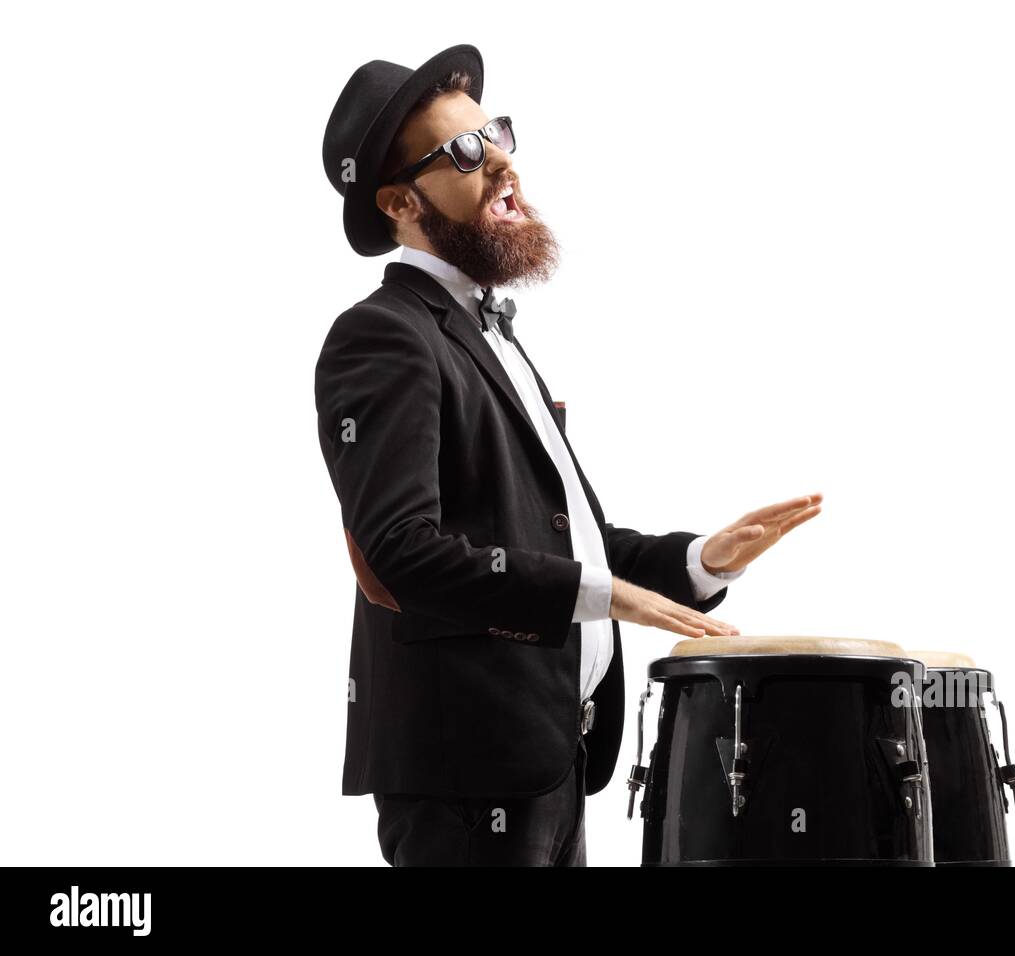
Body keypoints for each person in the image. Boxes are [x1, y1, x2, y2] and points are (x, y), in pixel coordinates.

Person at [316, 43, 823, 866]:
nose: (504, 163)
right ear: (401, 201)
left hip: (550, 758)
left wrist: (697, 559)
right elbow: (400, 552)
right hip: (465, 772)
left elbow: (564, 542)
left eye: (500, 134)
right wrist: (605, 595)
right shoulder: (382, 336)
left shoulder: (491, 330)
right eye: (468, 151)